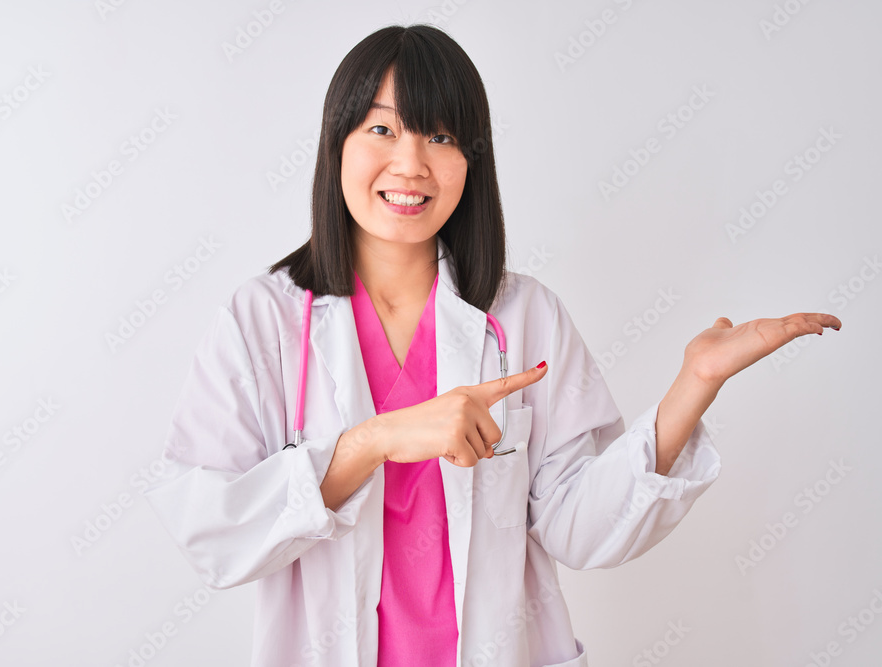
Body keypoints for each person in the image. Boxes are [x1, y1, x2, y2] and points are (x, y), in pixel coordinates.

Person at [143, 24, 841, 667]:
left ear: (472, 161)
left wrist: (694, 384)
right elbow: (209, 528)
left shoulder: (523, 315)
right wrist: (370, 442)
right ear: (337, 145)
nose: (411, 162)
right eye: (382, 128)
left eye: (441, 137)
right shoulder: (262, 320)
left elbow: (578, 526)